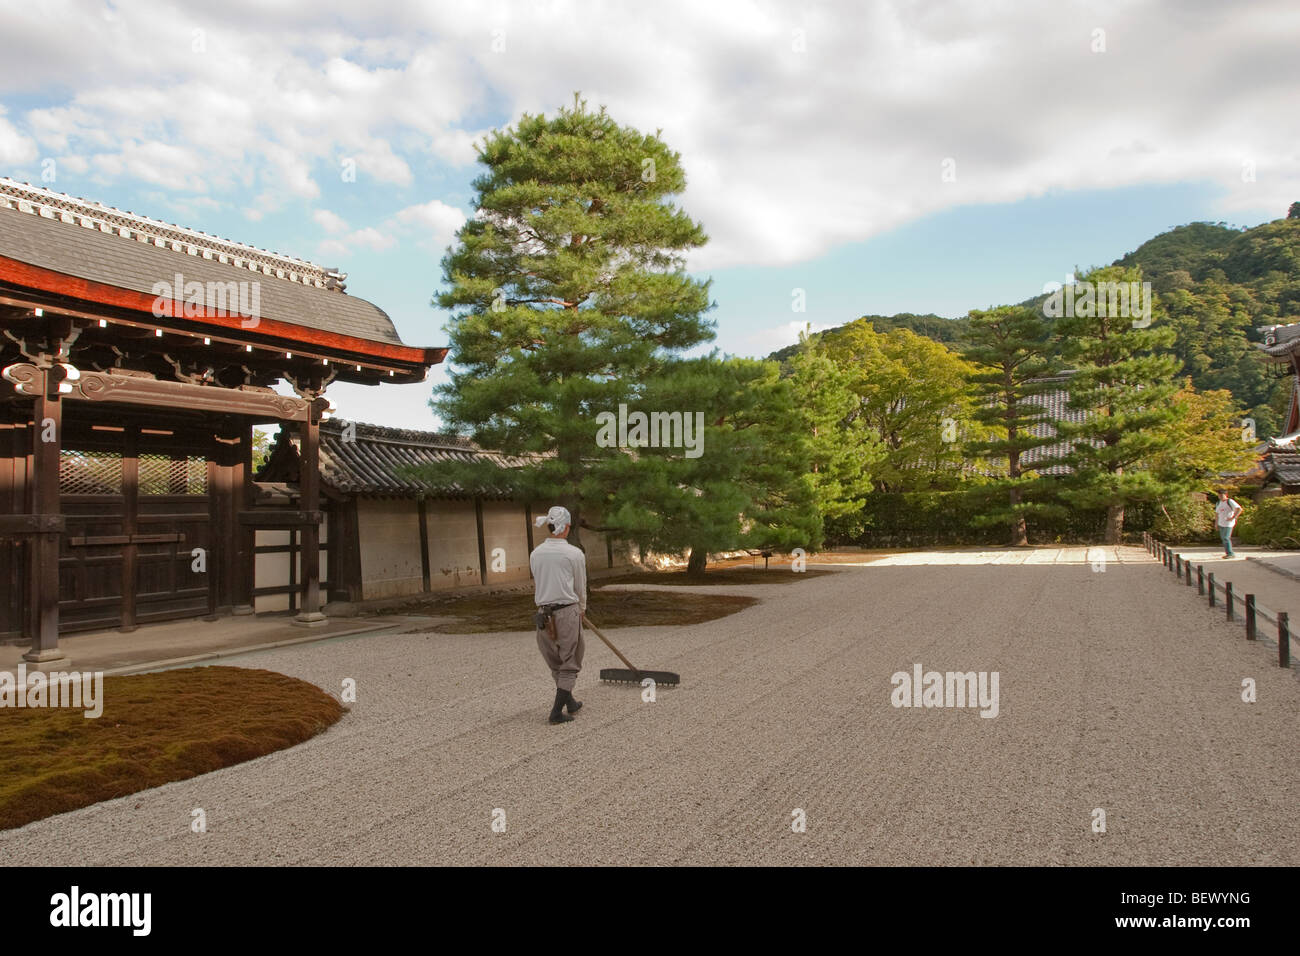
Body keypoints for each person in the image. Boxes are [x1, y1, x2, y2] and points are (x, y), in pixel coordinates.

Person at [529, 505, 587, 724]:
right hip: (567, 612)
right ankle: (555, 713)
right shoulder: (574, 554)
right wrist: (581, 608)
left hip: (543, 614)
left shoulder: (536, 554)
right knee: (571, 660)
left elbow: (540, 581)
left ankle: (569, 702)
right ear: (567, 527)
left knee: (555, 660)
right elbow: (580, 586)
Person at [1214, 490, 1244, 558]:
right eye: (1219, 495)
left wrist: (1233, 517)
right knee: (1223, 538)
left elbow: (1239, 509)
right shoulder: (1218, 503)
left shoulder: (1229, 501)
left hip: (1228, 523)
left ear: (1226, 495)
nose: (1220, 497)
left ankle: (1230, 553)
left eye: (1221, 495)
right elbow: (1217, 514)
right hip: (1221, 523)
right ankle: (1227, 553)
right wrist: (1216, 523)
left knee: (1226, 538)